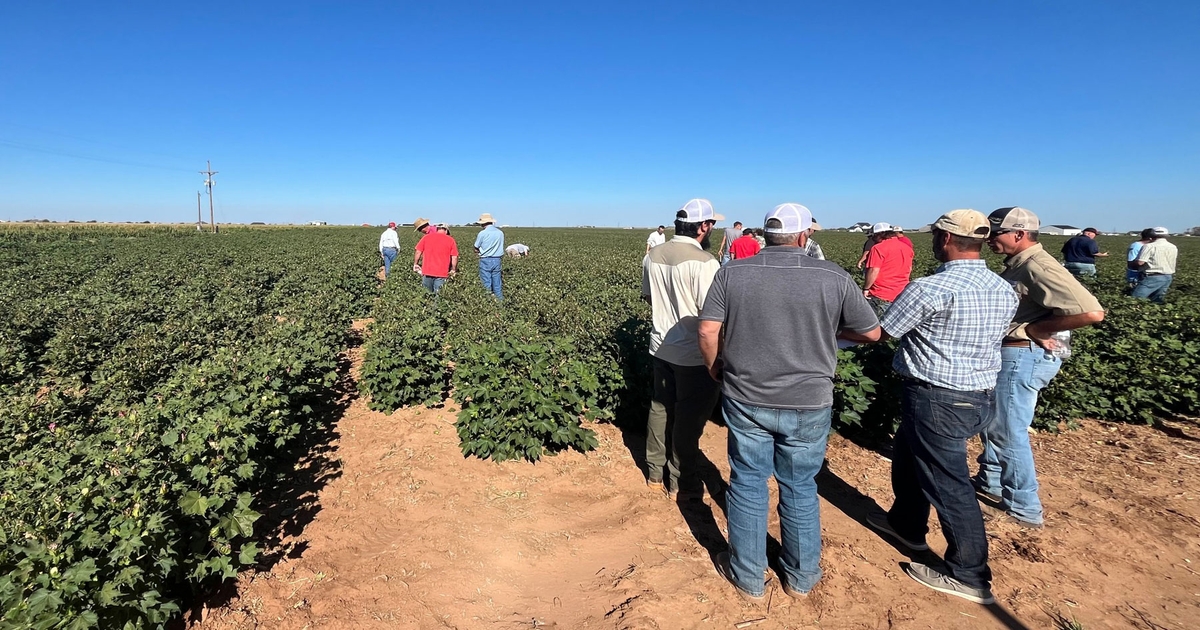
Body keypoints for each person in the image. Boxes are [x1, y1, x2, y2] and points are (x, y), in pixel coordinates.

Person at [698, 203, 881, 602]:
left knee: (747, 482)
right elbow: (872, 332)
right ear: (804, 236)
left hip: (746, 396)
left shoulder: (732, 271)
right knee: (799, 485)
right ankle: (801, 577)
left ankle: (747, 577)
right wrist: (825, 336)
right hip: (809, 400)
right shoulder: (831, 275)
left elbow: (708, 330)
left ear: (765, 235)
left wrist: (715, 367)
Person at [865, 210, 1018, 605]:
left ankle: (969, 574)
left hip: (938, 396)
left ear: (946, 239)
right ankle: (906, 525)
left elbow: (884, 332)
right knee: (908, 455)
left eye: (935, 234)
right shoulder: (1002, 287)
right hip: (980, 393)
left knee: (948, 483)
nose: (933, 240)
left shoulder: (930, 288)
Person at [975, 207, 1105, 529]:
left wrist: (1038, 329)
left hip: (1024, 355)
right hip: (1017, 355)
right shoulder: (1021, 265)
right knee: (996, 423)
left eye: (996, 233)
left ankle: (1023, 509)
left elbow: (1091, 312)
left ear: (1019, 234)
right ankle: (991, 481)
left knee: (1008, 430)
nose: (990, 240)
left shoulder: (1037, 266)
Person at [641, 198, 724, 501]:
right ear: (704, 226)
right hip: (694, 354)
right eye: (712, 223)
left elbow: (649, 299)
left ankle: (653, 472)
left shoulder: (653, 255)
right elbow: (712, 316)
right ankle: (682, 479)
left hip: (660, 347)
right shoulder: (706, 263)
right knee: (689, 419)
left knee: (660, 409)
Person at [862, 222, 914, 314]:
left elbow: (873, 270)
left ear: (879, 234)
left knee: (876, 325)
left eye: (874, 236)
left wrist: (866, 289)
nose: (873, 239)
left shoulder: (878, 248)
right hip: (901, 293)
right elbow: (909, 269)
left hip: (880, 294)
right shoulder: (907, 248)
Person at [1131, 227, 1178, 303]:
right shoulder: (1173, 247)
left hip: (1153, 277)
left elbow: (1140, 262)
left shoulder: (1149, 246)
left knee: (1135, 299)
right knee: (1157, 300)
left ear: (1152, 236)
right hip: (1168, 276)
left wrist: (1132, 263)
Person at [413, 220, 459, 293]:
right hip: (442, 273)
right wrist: (453, 269)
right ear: (446, 231)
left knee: (426, 294)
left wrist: (416, 264)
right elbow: (454, 257)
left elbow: (418, 251)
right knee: (439, 296)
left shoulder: (426, 237)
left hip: (427, 271)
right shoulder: (450, 240)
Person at [473, 213, 505, 300]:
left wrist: (478, 251)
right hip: (497, 260)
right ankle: (500, 304)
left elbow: (476, 247)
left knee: (486, 284)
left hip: (485, 260)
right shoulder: (500, 233)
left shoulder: (482, 233)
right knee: (497, 284)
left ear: (483, 223)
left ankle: (487, 304)